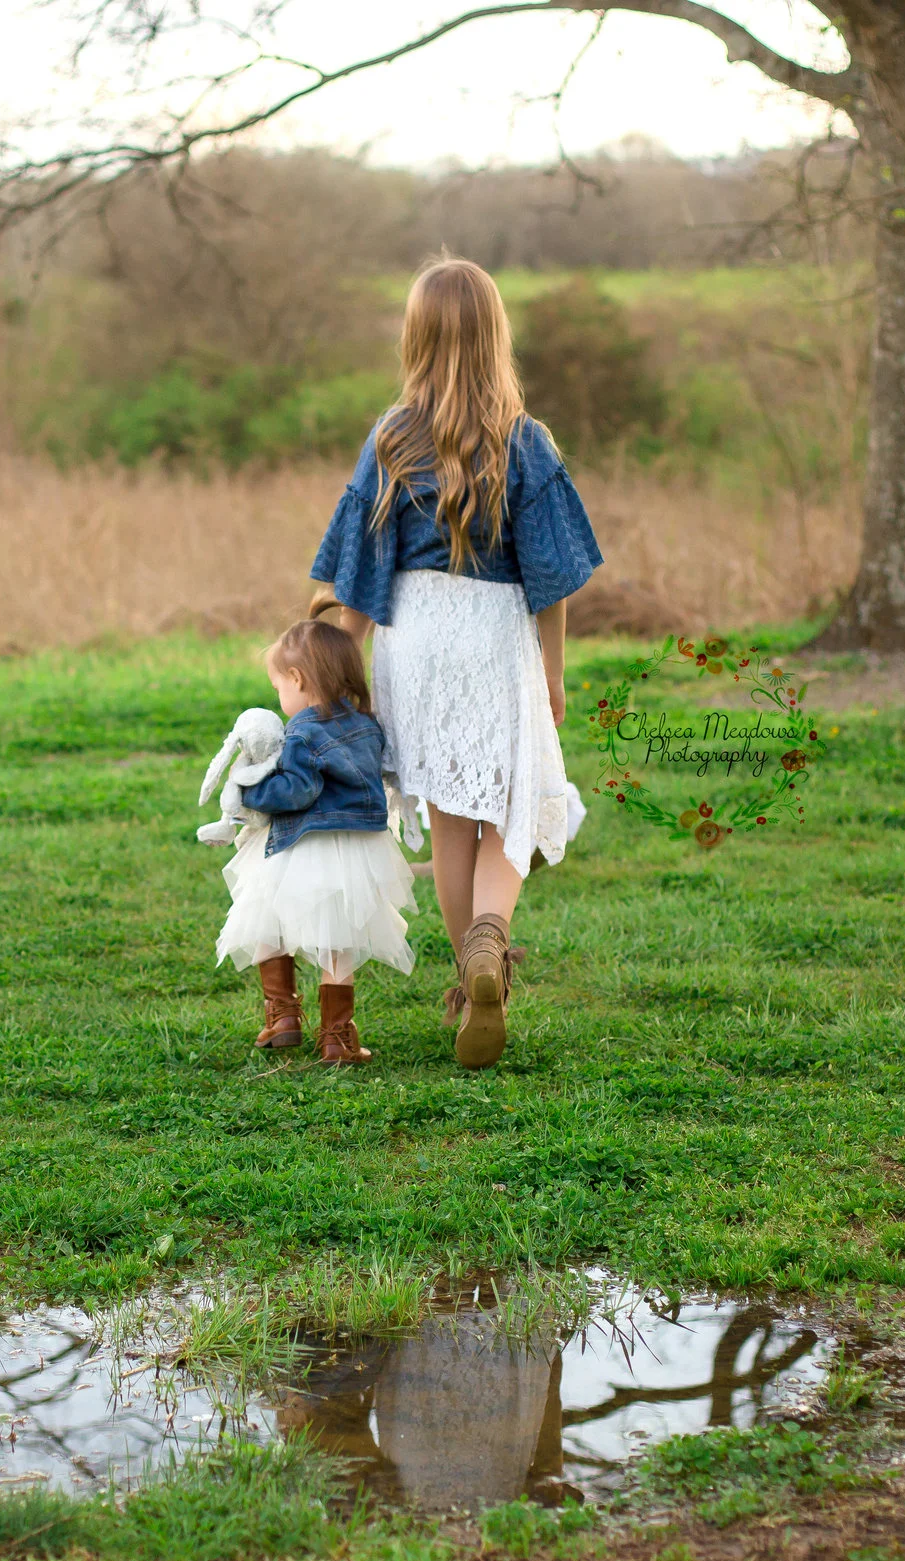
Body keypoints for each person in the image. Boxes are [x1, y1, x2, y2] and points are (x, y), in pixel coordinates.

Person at [309, 255, 604, 1068]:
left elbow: (360, 578)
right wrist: (553, 671)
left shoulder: (392, 436)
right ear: (495, 336)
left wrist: (335, 660)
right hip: (494, 629)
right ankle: (490, 950)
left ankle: (471, 970)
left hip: (419, 634)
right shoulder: (527, 441)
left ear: (416, 336)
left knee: (449, 816)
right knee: (512, 797)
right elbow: (552, 576)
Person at [212, 617, 416, 1064]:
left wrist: (250, 792)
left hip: (300, 845)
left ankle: (281, 1016)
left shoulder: (302, 733)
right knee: (338, 939)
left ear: (298, 679)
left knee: (267, 918)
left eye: (279, 687)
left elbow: (298, 790)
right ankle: (337, 1036)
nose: (280, 699)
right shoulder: (367, 725)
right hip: (356, 850)